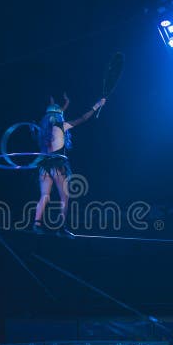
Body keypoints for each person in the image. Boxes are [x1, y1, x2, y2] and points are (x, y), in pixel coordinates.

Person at [33, 93, 105, 237]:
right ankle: (60, 228)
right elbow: (83, 118)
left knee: (44, 196)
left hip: (44, 167)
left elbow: (56, 113)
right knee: (64, 197)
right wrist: (97, 106)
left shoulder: (41, 131)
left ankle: (36, 224)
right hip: (58, 165)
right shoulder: (61, 126)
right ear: (59, 115)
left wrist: (65, 103)